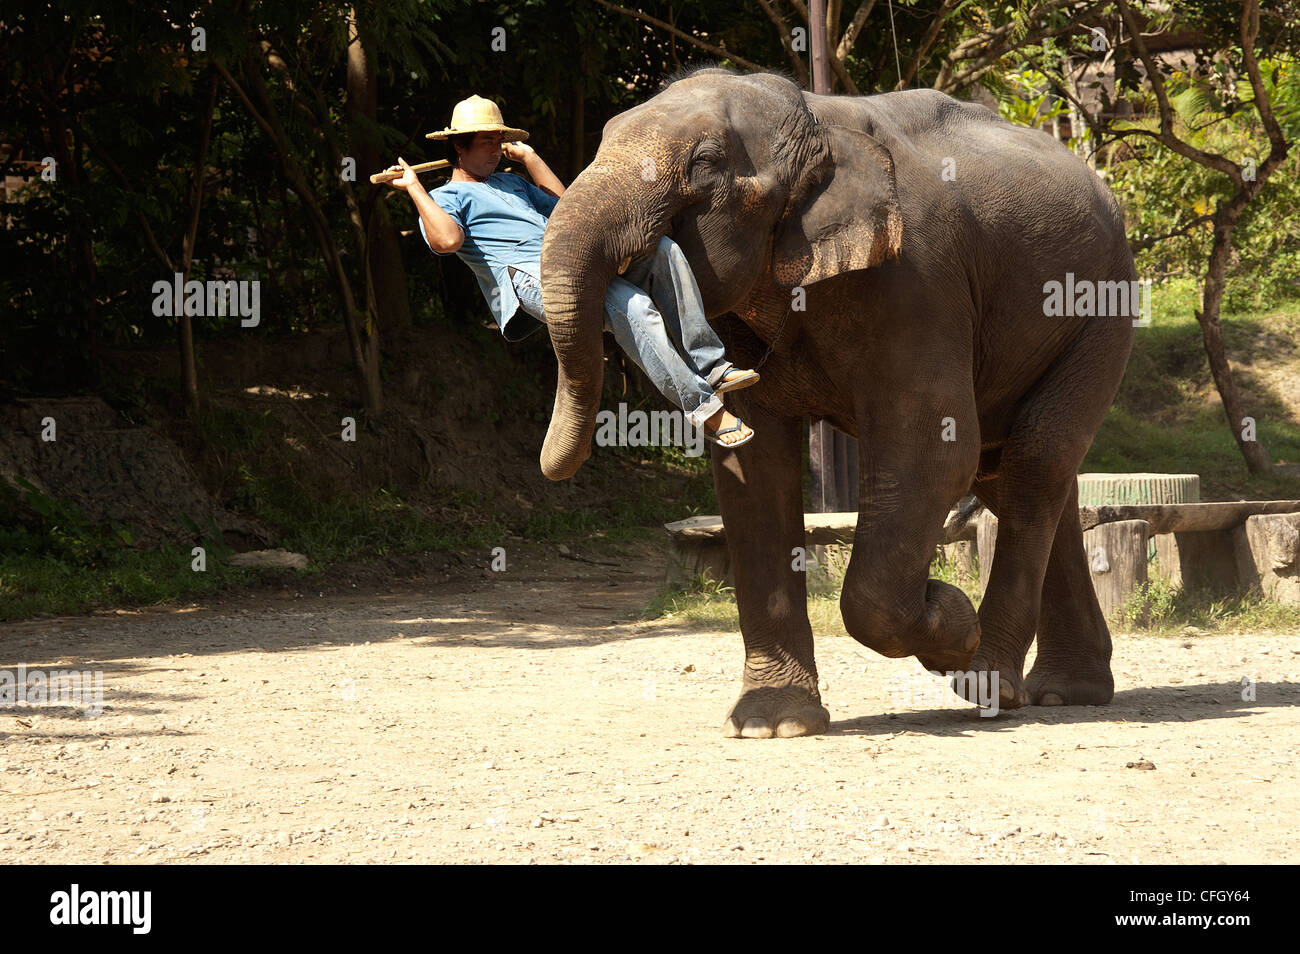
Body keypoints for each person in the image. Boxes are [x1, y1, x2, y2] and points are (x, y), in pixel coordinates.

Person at [382, 94, 757, 447]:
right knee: (634, 306)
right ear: (458, 147)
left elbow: (567, 207)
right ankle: (705, 410)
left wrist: (529, 157)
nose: (496, 150)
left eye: (500, 141)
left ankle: (710, 365)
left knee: (660, 249)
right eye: (486, 143)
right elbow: (447, 242)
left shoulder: (512, 182)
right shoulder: (444, 198)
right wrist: (415, 189)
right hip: (535, 279)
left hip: (574, 259)